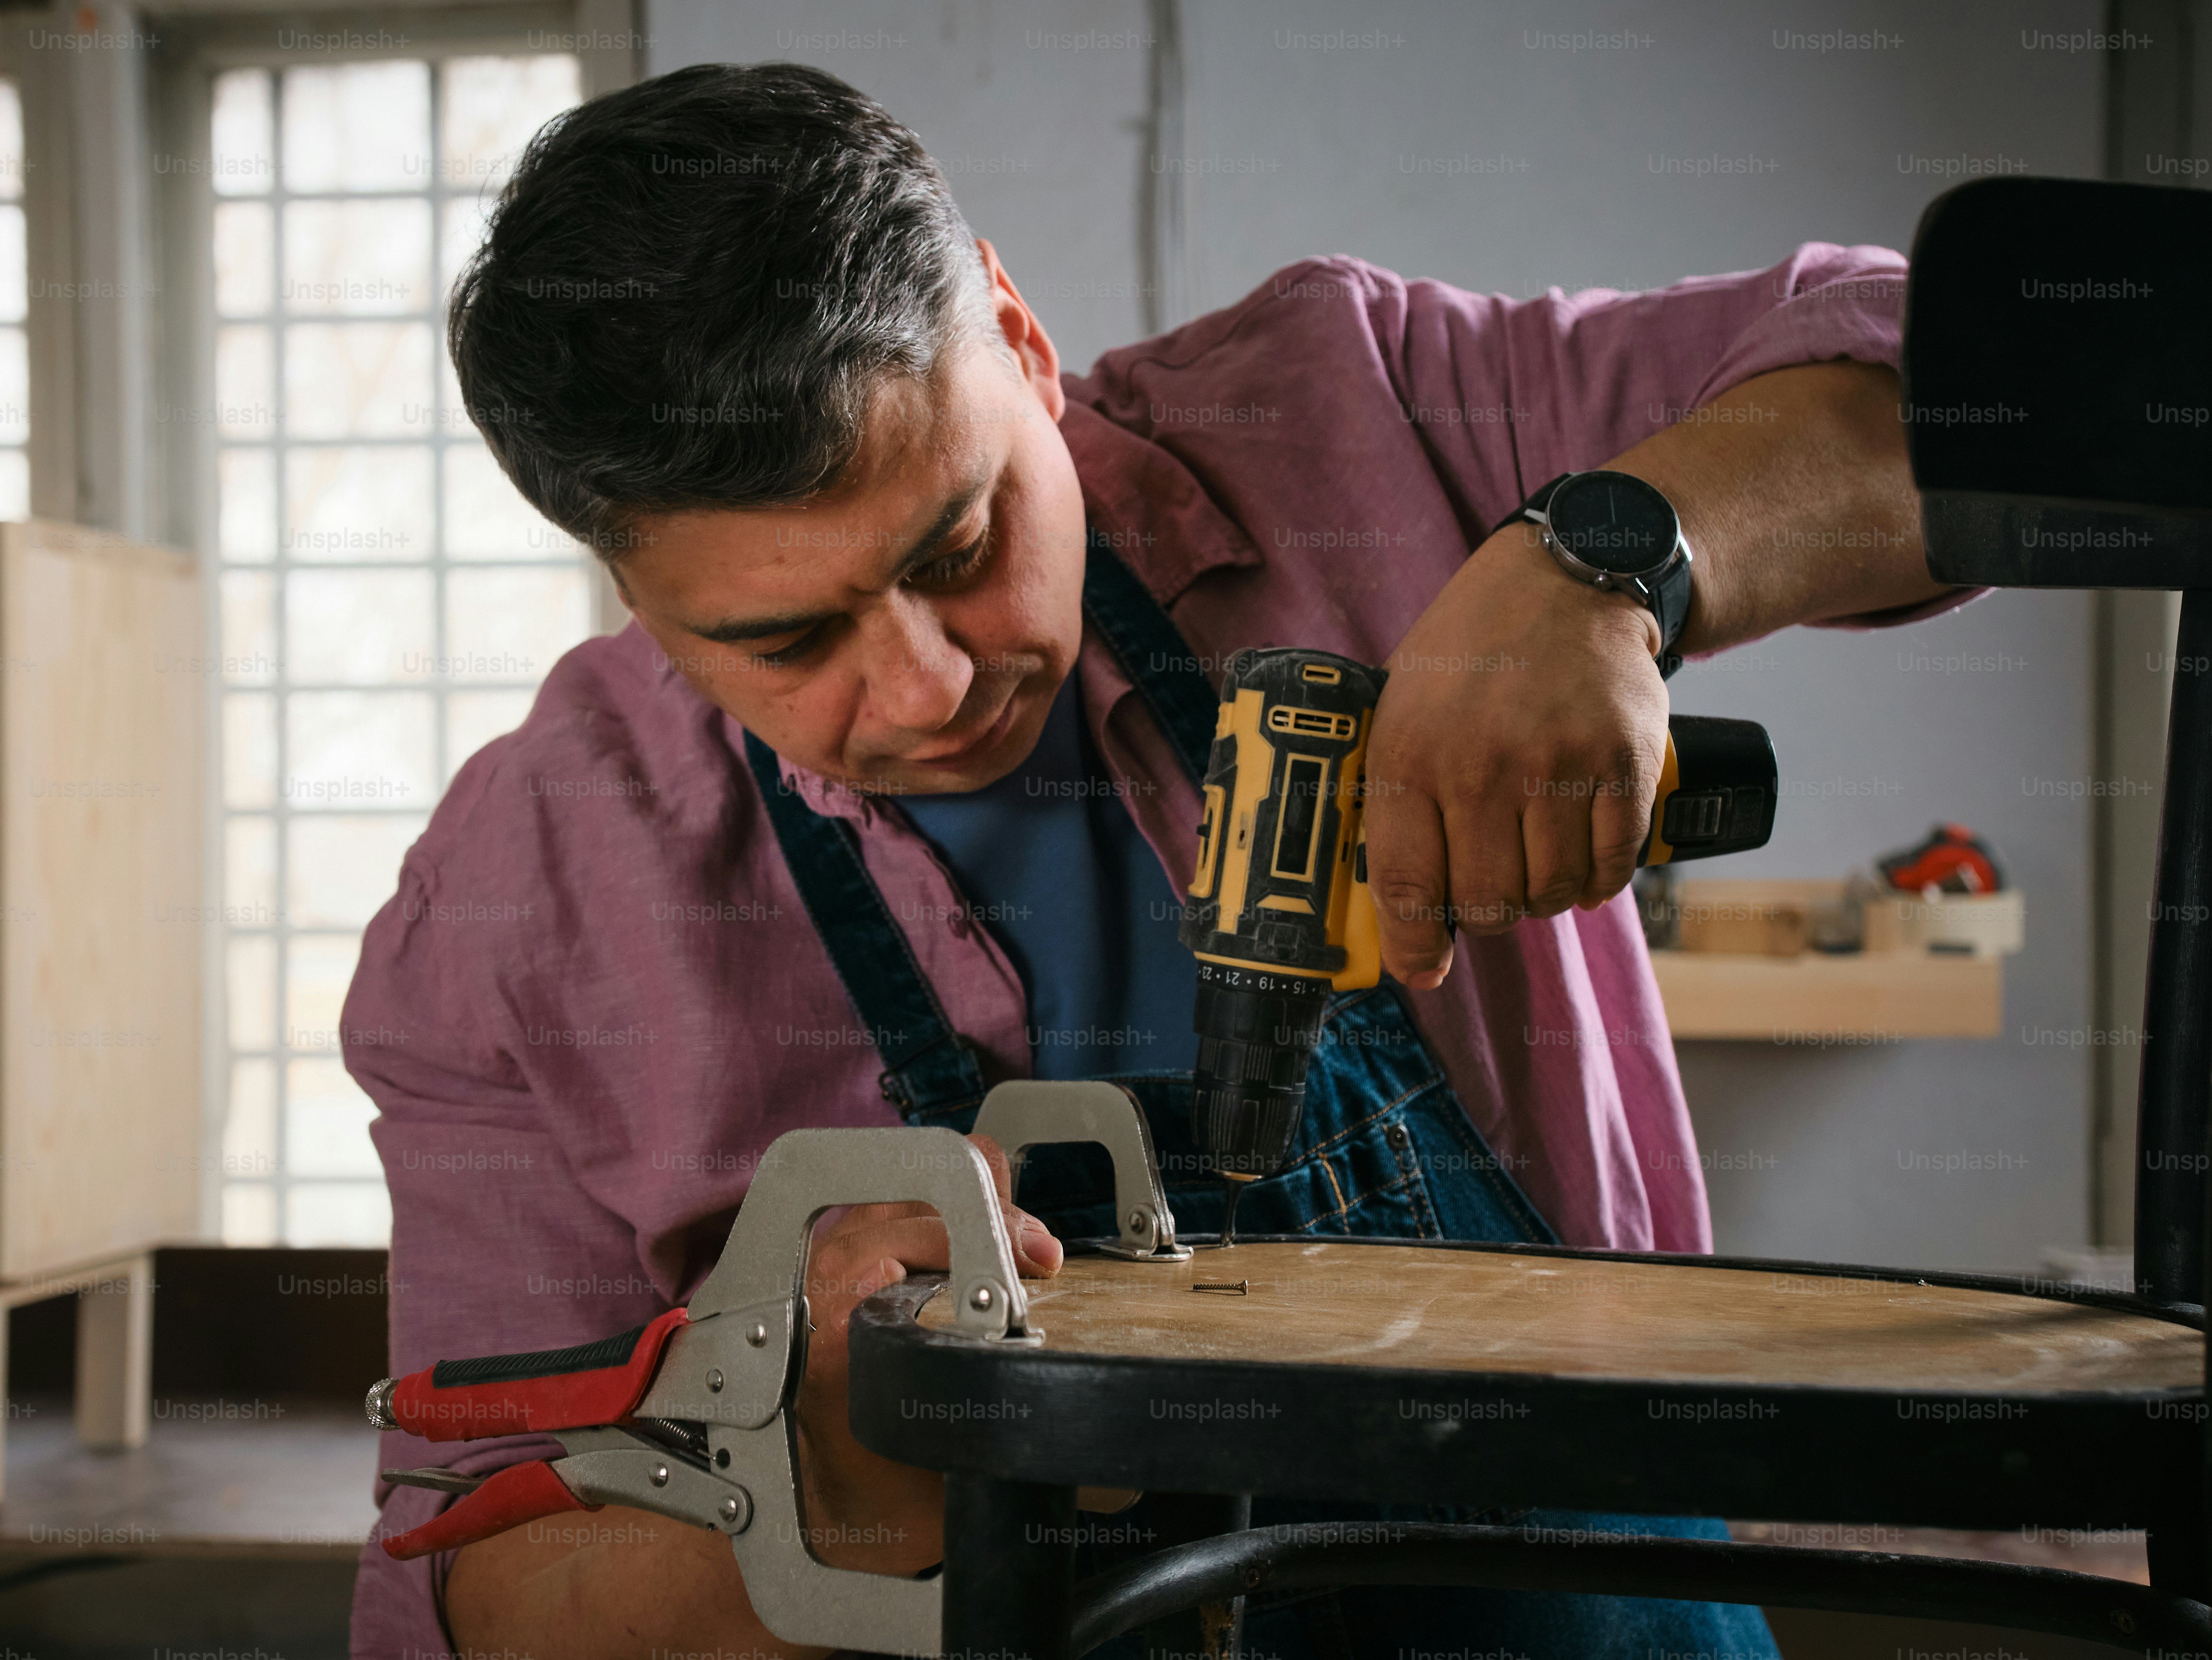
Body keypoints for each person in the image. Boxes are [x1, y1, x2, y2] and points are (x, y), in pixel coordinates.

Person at [343, 60, 1965, 1660]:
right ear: (632, 586)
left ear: (1021, 336)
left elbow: (1961, 379)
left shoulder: (1352, 416)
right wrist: (838, 1476)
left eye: (959, 546)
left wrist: (1616, 557)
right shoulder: (511, 909)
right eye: (786, 640)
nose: (927, 687)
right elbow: (469, 1582)